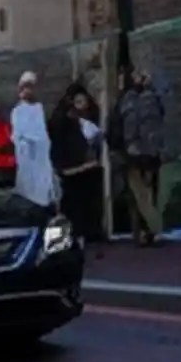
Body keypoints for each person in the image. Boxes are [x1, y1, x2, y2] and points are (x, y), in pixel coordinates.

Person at [49, 83, 105, 246]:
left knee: (84, 201)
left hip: (85, 166)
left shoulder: (88, 117)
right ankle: (76, 233)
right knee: (74, 202)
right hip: (74, 167)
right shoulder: (66, 121)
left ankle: (85, 232)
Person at [117, 66, 165, 246]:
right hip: (146, 152)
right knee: (144, 194)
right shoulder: (149, 99)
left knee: (142, 195)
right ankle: (148, 230)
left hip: (139, 152)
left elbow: (127, 126)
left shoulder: (130, 100)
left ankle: (149, 230)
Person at [11, 72, 59, 210]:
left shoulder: (38, 108)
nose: (28, 91)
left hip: (41, 155)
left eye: (31, 87)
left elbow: (41, 131)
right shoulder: (17, 111)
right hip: (27, 154)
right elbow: (18, 133)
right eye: (25, 87)